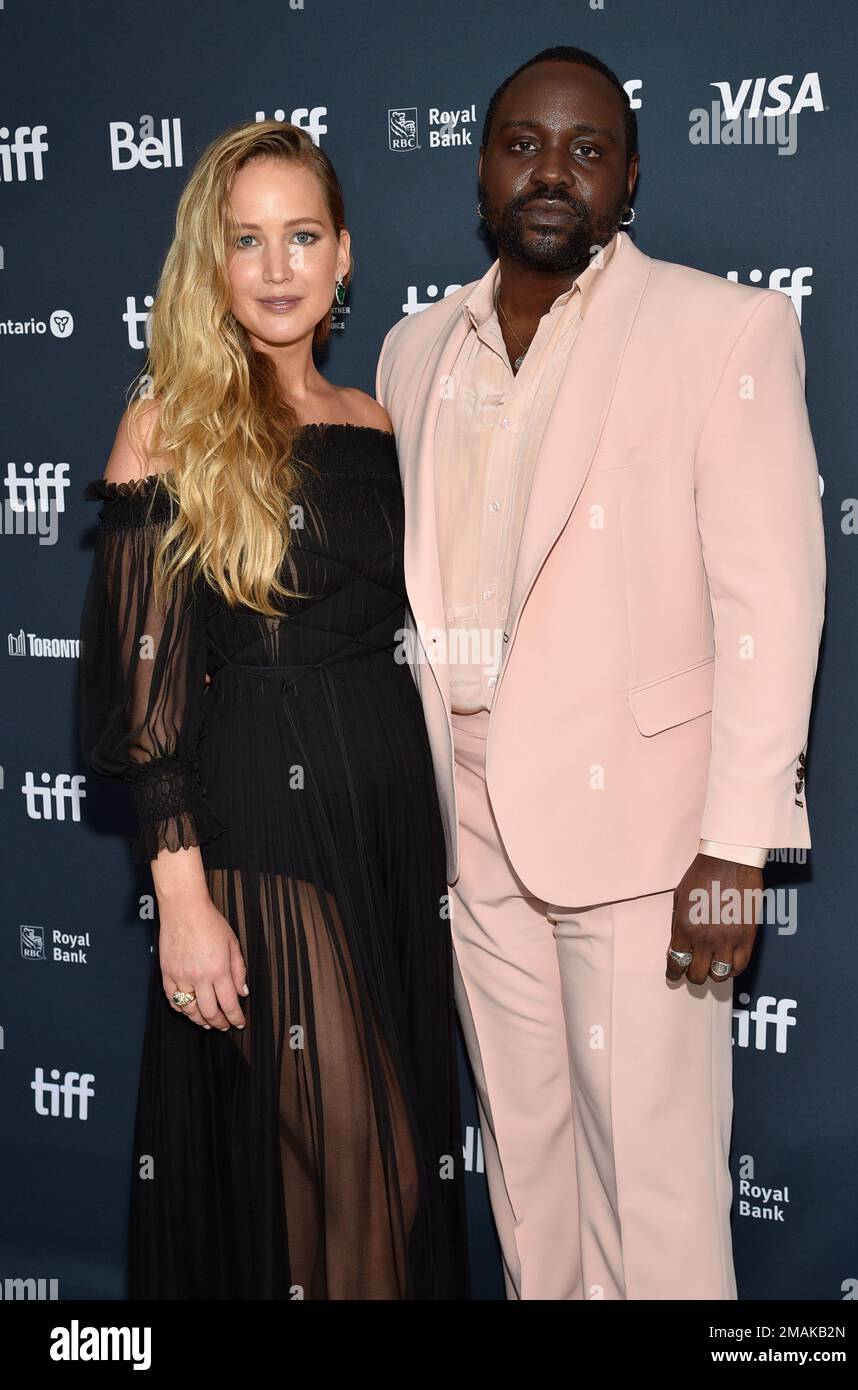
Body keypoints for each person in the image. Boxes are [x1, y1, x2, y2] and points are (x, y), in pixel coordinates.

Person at [376, 46, 826, 1299]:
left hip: (648, 829)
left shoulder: (718, 326)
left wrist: (734, 848)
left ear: (629, 179)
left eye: (586, 148)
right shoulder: (416, 356)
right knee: (526, 1167)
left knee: (655, 1181)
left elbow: (770, 603)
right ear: (480, 170)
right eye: (524, 142)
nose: (551, 170)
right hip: (468, 821)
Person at [78, 119, 469, 1300]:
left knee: (343, 1186)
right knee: (367, 1170)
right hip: (261, 827)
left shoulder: (377, 424)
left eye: (302, 235)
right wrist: (181, 898)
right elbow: (141, 697)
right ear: (214, 263)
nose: (278, 265)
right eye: (247, 240)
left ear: (345, 254)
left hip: (388, 821)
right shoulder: (170, 429)